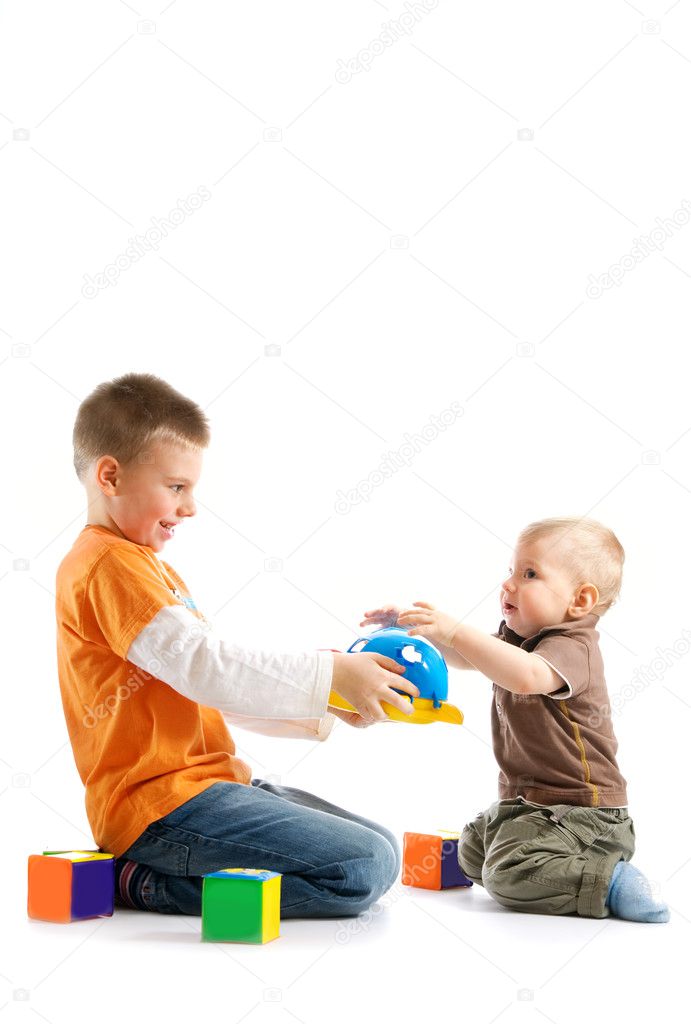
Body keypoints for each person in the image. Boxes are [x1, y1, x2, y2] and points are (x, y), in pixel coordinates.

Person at [55, 372, 420, 917]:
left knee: (383, 848)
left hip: (208, 787)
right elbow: (205, 667)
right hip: (160, 808)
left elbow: (204, 690)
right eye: (176, 487)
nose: (190, 507)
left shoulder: (145, 567)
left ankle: (179, 865)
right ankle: (139, 882)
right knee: (361, 867)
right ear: (110, 475)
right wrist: (332, 675)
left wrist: (326, 696)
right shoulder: (107, 564)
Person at [362, 516, 670, 922]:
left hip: (586, 816)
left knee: (505, 874)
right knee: (473, 851)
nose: (509, 584)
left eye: (530, 574)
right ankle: (536, 867)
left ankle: (607, 879)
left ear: (580, 601)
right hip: (529, 806)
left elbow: (526, 676)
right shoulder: (520, 642)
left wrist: (455, 630)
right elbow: (474, 657)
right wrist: (417, 633)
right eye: (511, 571)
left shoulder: (573, 648)